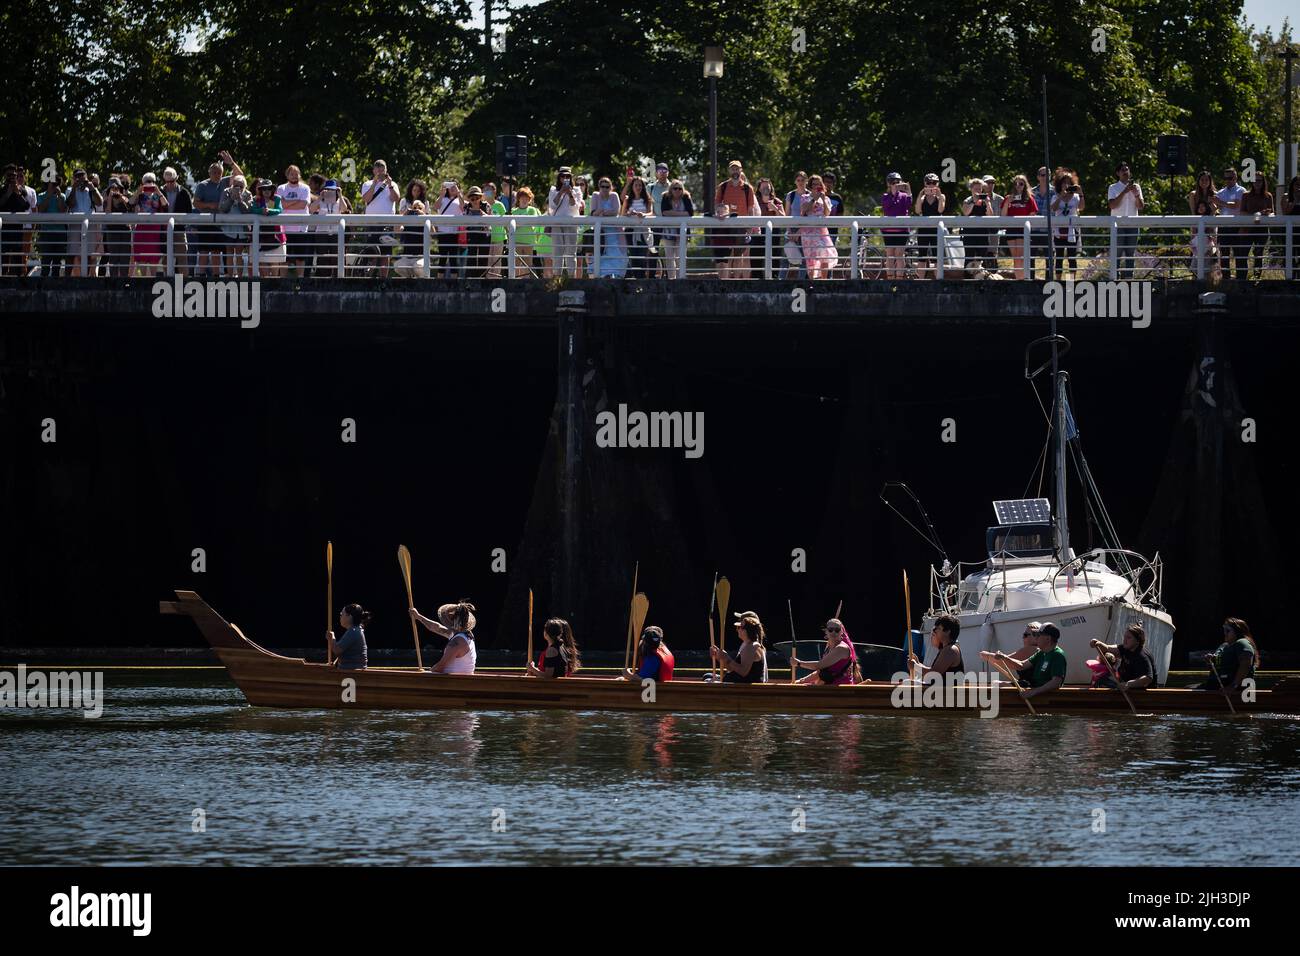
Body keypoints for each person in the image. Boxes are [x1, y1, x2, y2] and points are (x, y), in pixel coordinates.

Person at [982, 622, 1067, 699]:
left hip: (1046, 695)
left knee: (997, 684)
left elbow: (1056, 682)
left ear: (1048, 639)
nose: (1036, 638)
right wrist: (1004, 657)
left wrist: (1033, 692)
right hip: (1034, 687)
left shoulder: (1057, 655)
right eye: (1034, 635)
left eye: (1038, 635)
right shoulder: (1041, 653)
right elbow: (1022, 665)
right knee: (995, 683)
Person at [192, 154, 243, 276]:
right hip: (205, 221)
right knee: (203, 251)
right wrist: (209, 205)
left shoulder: (226, 182)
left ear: (222, 172)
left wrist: (231, 163)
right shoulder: (202, 185)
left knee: (217, 251)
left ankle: (216, 276)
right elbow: (196, 203)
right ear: (209, 173)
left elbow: (240, 176)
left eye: (219, 172)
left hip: (221, 223)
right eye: (214, 172)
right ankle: (201, 276)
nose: (216, 174)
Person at [714, 160, 756, 279]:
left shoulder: (748, 188)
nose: (735, 171)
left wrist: (750, 226)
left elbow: (751, 209)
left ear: (741, 170)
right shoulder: (723, 186)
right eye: (733, 169)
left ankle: (736, 281)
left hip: (741, 226)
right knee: (726, 256)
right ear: (729, 170)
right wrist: (720, 212)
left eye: (737, 169)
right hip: (725, 226)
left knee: (738, 256)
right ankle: (726, 281)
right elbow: (717, 204)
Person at [411, 601, 478, 675]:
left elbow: (440, 667)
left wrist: (427, 672)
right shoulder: (465, 634)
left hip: (456, 681)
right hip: (458, 680)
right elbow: (437, 628)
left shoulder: (458, 641)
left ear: (453, 621)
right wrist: (418, 617)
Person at [360, 160, 400, 278]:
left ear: (386, 171)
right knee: (371, 253)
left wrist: (390, 185)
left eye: (382, 170)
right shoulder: (367, 184)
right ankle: (369, 277)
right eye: (377, 170)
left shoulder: (392, 184)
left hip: (387, 224)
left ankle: (383, 279)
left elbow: (395, 198)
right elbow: (366, 199)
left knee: (385, 254)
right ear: (373, 171)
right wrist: (374, 183)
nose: (380, 173)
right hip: (372, 223)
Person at [1198, 617, 1259, 694]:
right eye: (1224, 630)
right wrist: (1210, 661)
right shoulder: (1224, 646)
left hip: (1233, 689)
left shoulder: (1242, 643)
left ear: (1238, 632)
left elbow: (1246, 664)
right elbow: (1216, 667)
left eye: (1228, 630)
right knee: (1188, 688)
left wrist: (1233, 686)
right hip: (1215, 686)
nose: (1225, 633)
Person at [1089, 623, 1156, 691]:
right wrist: (1098, 643)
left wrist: (1128, 684)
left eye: (1128, 637)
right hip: (1126, 687)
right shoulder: (1125, 648)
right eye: (1124, 637)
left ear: (1138, 641)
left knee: (1101, 682)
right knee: (1101, 680)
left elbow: (1148, 678)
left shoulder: (1142, 656)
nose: (1124, 640)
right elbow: (1107, 648)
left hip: (1140, 693)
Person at [792, 617, 858, 685]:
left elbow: (819, 665)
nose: (833, 632)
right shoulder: (828, 647)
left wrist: (798, 663)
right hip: (830, 686)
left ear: (841, 632)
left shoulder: (841, 648)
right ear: (826, 631)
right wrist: (800, 681)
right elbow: (820, 672)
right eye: (830, 630)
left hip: (842, 689)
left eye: (837, 630)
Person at [1107, 161, 1144, 279]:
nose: (1125, 172)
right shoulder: (1113, 187)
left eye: (1127, 169)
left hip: (1133, 224)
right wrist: (1125, 191)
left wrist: (1137, 195)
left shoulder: (1136, 186)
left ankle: (1129, 279)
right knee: (1117, 253)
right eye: (1123, 170)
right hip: (1118, 224)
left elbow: (1141, 206)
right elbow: (1112, 205)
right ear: (1117, 173)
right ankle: (1115, 278)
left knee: (1130, 253)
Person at [130, 172, 169, 277]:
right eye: (147, 182)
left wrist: (158, 191)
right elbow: (130, 203)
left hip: (154, 230)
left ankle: (152, 279)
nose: (149, 184)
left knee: (153, 257)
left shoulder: (158, 195)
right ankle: (143, 280)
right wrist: (138, 192)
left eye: (152, 182)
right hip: (141, 228)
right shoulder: (140, 195)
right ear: (143, 183)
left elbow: (166, 205)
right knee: (141, 256)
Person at [275, 165, 312, 277]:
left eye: (296, 174)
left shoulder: (305, 188)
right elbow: (281, 205)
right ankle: (283, 281)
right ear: (287, 175)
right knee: (284, 258)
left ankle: (299, 280)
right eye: (292, 174)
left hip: (301, 229)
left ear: (299, 175)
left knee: (300, 258)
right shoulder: (281, 188)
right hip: (284, 229)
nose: (294, 176)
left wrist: (288, 203)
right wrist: (296, 201)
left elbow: (303, 205)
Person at [799, 175, 838, 280]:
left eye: (819, 184)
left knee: (825, 254)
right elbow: (803, 211)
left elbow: (827, 213)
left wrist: (823, 199)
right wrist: (814, 199)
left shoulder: (826, 199)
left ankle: (823, 281)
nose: (817, 186)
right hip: (808, 232)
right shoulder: (805, 197)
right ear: (811, 186)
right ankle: (812, 282)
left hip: (821, 231)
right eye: (814, 184)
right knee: (811, 258)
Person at [547, 166, 583, 277]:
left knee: (571, 252)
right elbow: (552, 206)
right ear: (559, 177)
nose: (565, 178)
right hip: (557, 223)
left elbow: (575, 207)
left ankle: (571, 278)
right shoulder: (553, 189)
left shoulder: (576, 190)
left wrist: (570, 193)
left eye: (568, 176)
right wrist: (561, 192)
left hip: (571, 223)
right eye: (563, 176)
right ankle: (557, 278)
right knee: (557, 252)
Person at [712, 611, 768, 683]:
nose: (737, 629)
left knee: (708, 678)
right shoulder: (747, 645)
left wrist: (727, 658)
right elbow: (732, 669)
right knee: (708, 676)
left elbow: (743, 672)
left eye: (739, 627)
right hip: (742, 685)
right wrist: (719, 657)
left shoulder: (752, 647)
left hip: (747, 689)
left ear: (748, 630)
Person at [65, 168, 102, 275]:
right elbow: (70, 204)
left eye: (82, 176)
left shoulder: (91, 189)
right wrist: (74, 188)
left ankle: (89, 276)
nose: (80, 178)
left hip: (90, 223)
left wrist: (91, 188)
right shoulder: (69, 189)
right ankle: (66, 277)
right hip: (75, 223)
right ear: (73, 178)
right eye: (77, 176)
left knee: (90, 253)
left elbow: (99, 202)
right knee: (71, 252)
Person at [1001, 174, 1039, 279]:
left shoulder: (1029, 199)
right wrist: (1007, 202)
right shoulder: (1008, 198)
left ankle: (1022, 279)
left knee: (1021, 257)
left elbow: (1033, 214)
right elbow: (1003, 215)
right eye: (1016, 183)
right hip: (1011, 229)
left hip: (1023, 230)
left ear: (1025, 185)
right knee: (1016, 257)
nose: (1018, 186)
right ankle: (1019, 279)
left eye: (1021, 184)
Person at [1213, 166, 1247, 280]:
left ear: (1236, 178)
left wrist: (1220, 202)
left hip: (1237, 226)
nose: (1228, 180)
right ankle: (1226, 280)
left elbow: (1236, 205)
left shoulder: (1241, 190)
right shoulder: (1221, 192)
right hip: (1224, 227)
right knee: (1224, 256)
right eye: (1226, 178)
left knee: (1240, 255)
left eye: (1231, 178)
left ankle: (1241, 280)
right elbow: (1214, 206)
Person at [589, 176, 625, 278]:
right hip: (600, 232)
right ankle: (601, 275)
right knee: (600, 253)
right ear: (599, 187)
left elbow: (616, 211)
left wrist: (602, 212)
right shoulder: (595, 195)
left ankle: (615, 275)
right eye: (602, 186)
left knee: (615, 253)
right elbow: (593, 212)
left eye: (607, 186)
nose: (605, 189)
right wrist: (601, 212)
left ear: (611, 187)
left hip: (614, 232)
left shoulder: (614, 195)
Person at [621, 175, 656, 279]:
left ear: (643, 187)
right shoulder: (628, 200)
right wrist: (628, 213)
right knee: (633, 257)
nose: (638, 187)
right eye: (636, 185)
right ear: (632, 187)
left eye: (640, 185)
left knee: (642, 257)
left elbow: (651, 213)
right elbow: (623, 214)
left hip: (643, 231)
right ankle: (635, 280)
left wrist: (644, 214)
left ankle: (642, 280)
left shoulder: (647, 200)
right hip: (630, 231)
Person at [1240, 174, 1274, 279]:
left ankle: (1256, 279)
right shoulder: (1246, 195)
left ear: (1263, 182)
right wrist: (1256, 214)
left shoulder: (1268, 196)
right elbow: (1242, 213)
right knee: (1243, 253)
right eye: (1255, 180)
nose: (1257, 183)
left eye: (1259, 180)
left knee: (1259, 254)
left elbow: (1272, 212)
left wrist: (1267, 213)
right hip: (1248, 228)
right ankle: (1242, 279)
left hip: (1262, 229)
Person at [1050, 171, 1083, 278]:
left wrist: (1081, 193)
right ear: (1060, 184)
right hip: (1059, 230)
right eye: (1064, 182)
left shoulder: (1076, 197)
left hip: (1072, 230)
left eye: (1069, 182)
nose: (1066, 185)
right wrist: (1061, 197)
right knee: (1059, 257)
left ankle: (1070, 283)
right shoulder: (1056, 197)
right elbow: (1053, 208)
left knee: (1071, 257)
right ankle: (1058, 282)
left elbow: (1081, 207)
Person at [250, 179, 286, 277]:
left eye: (269, 189)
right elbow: (252, 209)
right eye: (264, 189)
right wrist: (261, 211)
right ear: (261, 190)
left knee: (274, 260)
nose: (267, 191)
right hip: (261, 234)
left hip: (276, 235)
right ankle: (265, 281)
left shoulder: (277, 198)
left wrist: (269, 210)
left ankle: (273, 281)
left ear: (272, 190)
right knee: (262, 261)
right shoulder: (256, 199)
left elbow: (279, 209)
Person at [880, 171, 912, 279]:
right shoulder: (885, 196)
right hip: (888, 230)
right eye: (892, 182)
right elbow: (886, 208)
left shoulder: (904, 195)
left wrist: (909, 192)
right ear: (888, 184)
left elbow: (908, 205)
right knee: (890, 255)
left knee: (899, 254)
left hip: (902, 230)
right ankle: (890, 278)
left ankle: (899, 279)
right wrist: (893, 194)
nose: (895, 184)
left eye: (897, 182)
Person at [0, 165, 32, 276]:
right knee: (4, 256)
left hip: (17, 229)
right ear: (5, 176)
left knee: (18, 256)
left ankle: (19, 279)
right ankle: (3, 279)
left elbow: (27, 206)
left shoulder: (21, 190)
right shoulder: (2, 190)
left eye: (14, 175)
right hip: (4, 229)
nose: (12, 177)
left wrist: (17, 193)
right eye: (9, 175)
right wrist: (8, 192)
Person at [911, 613, 964, 679]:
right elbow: (934, 670)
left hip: (947, 689)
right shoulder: (946, 649)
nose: (935, 631)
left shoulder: (950, 650)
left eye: (938, 628)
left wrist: (915, 666)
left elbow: (934, 673)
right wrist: (918, 663)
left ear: (947, 631)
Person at [658, 180, 693, 278]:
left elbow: (690, 213)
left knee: (681, 257)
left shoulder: (686, 197)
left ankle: (680, 279)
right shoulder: (665, 197)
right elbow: (664, 212)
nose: (677, 190)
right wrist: (681, 215)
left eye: (680, 188)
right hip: (668, 231)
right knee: (669, 257)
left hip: (682, 231)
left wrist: (673, 213)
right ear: (671, 189)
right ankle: (671, 279)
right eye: (675, 188)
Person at [35, 175, 68, 277]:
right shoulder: (41, 195)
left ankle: (55, 285)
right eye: (53, 183)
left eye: (57, 184)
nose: (55, 186)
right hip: (46, 233)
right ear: (48, 184)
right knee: (45, 262)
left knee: (57, 264)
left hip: (60, 233)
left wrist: (58, 197)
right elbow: (40, 210)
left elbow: (63, 211)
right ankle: (42, 286)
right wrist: (49, 195)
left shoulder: (62, 196)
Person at [311, 178, 345, 277]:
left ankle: (336, 278)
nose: (330, 191)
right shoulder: (320, 201)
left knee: (335, 256)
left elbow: (344, 209)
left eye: (333, 190)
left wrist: (340, 195)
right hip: (322, 231)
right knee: (322, 257)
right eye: (328, 189)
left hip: (335, 232)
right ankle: (322, 278)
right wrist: (320, 197)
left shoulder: (339, 201)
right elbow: (311, 209)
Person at [219, 175, 253, 276]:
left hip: (242, 230)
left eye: (241, 186)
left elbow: (247, 211)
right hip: (228, 228)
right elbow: (222, 209)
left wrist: (239, 200)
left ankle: (239, 277)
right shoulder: (226, 192)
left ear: (245, 187)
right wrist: (231, 199)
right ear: (232, 185)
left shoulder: (248, 194)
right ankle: (230, 276)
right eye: (235, 185)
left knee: (239, 254)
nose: (238, 188)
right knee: (229, 253)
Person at [960, 178, 994, 276]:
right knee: (969, 257)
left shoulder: (985, 200)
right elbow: (966, 213)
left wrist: (987, 203)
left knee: (982, 257)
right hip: (969, 234)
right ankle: (967, 279)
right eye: (976, 189)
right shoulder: (968, 200)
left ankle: (982, 278)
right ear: (971, 189)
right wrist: (974, 202)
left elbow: (991, 216)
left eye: (980, 189)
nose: (978, 191)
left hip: (983, 233)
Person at [914, 173, 945, 278]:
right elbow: (918, 211)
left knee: (937, 257)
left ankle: (938, 281)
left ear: (938, 184)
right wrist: (920, 195)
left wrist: (939, 196)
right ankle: (920, 281)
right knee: (922, 257)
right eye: (929, 183)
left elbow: (940, 209)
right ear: (925, 184)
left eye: (934, 183)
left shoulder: (941, 197)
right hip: (923, 229)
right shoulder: (922, 198)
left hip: (936, 230)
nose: (931, 185)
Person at [101, 178, 133, 278]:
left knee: (125, 258)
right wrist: (110, 197)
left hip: (125, 231)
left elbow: (130, 207)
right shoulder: (106, 200)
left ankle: (124, 280)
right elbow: (108, 213)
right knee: (113, 258)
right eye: (112, 188)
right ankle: (113, 281)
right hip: (112, 231)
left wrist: (121, 197)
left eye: (117, 188)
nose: (115, 190)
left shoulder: (126, 197)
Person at [433, 181, 464, 278]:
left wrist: (459, 193)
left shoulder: (459, 199)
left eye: (454, 186)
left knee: (453, 259)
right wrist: (441, 194)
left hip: (454, 232)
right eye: (450, 186)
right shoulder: (443, 199)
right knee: (442, 257)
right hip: (442, 232)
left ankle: (454, 282)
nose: (452, 188)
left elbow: (463, 207)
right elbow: (436, 207)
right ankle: (439, 281)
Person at [510, 186, 543, 277]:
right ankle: (516, 282)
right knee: (516, 264)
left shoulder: (532, 210)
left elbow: (532, 222)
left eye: (527, 198)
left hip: (529, 241)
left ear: (529, 199)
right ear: (518, 199)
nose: (524, 200)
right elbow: (510, 226)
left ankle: (525, 282)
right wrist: (522, 224)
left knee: (528, 264)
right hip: (516, 241)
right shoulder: (513, 211)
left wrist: (518, 224)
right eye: (522, 197)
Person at [461, 185, 492, 278]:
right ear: (469, 199)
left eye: (477, 198)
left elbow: (491, 219)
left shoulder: (486, 205)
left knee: (483, 257)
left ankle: (482, 279)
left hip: (484, 234)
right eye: (472, 198)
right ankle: (471, 280)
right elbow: (464, 221)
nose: (475, 200)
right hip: (472, 234)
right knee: (471, 257)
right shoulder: (466, 207)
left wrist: (485, 215)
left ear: (481, 197)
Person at [328, 603, 370, 671]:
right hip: (352, 670)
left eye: (342, 614)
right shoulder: (356, 629)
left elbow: (337, 650)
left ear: (349, 616)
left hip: (353, 673)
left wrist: (332, 638)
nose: (340, 617)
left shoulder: (353, 631)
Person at [648, 162, 672, 276]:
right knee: (653, 251)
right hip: (654, 223)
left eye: (664, 171)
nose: (662, 173)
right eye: (660, 171)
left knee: (669, 251)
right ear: (656, 173)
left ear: (668, 172)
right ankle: (652, 276)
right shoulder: (650, 187)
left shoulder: (673, 187)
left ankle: (670, 276)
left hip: (669, 224)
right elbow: (647, 205)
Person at [483, 182, 508, 278]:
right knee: (488, 260)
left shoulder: (499, 205)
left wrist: (509, 235)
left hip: (499, 237)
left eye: (488, 189)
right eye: (484, 190)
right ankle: (489, 280)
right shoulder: (482, 205)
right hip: (487, 238)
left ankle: (496, 279)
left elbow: (506, 221)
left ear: (494, 191)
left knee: (497, 260)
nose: (486, 192)